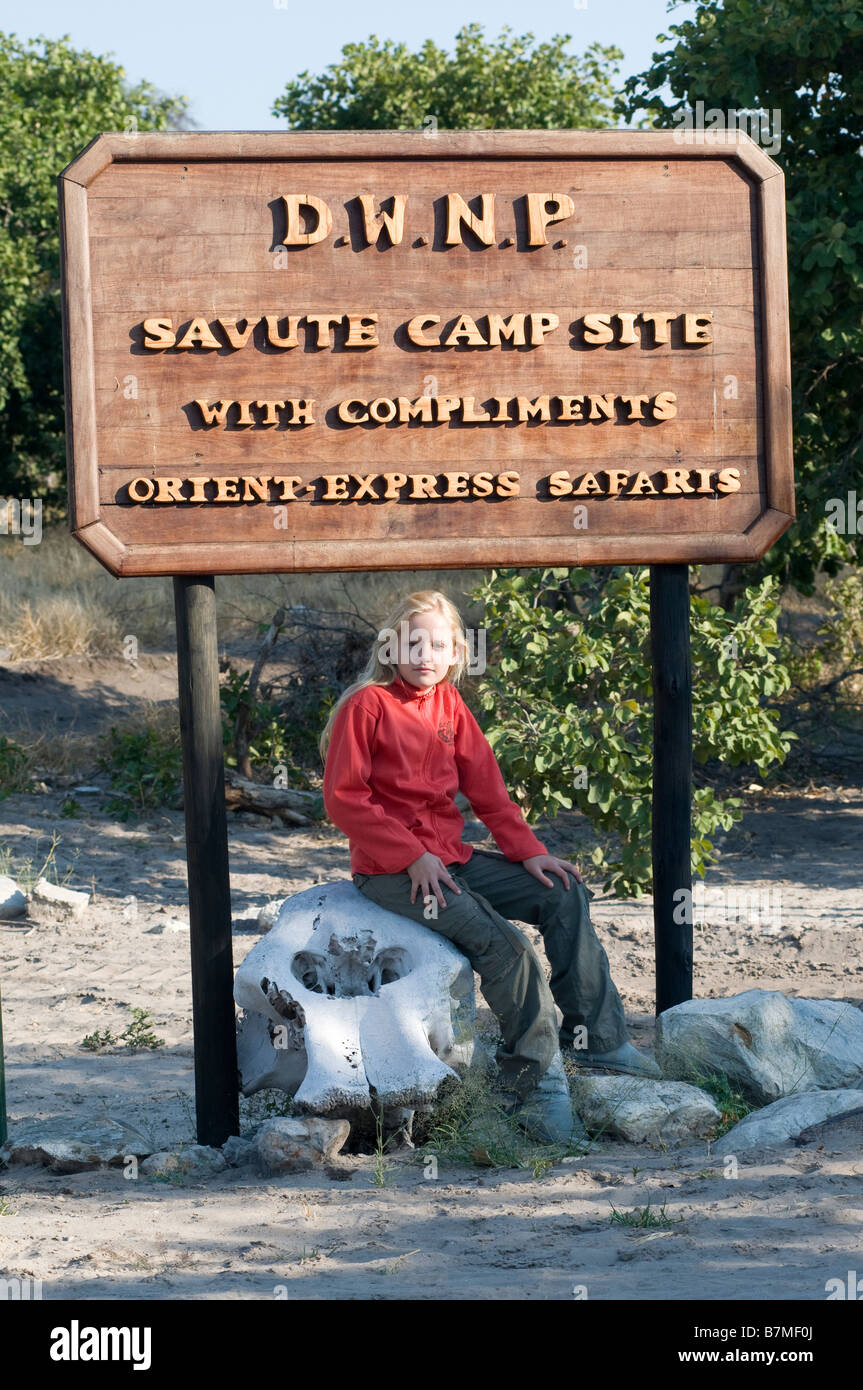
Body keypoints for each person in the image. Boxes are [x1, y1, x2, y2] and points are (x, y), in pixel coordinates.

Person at [320, 589, 660, 1145]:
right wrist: (411, 855)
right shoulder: (368, 705)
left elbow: (489, 792)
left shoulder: (450, 706)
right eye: (412, 642)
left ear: (456, 651)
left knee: (562, 892)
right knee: (509, 951)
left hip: (452, 860)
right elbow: (344, 800)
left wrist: (529, 852)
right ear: (391, 646)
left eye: (438, 644)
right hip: (390, 871)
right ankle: (534, 1088)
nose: (424, 654)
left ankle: (599, 1041)